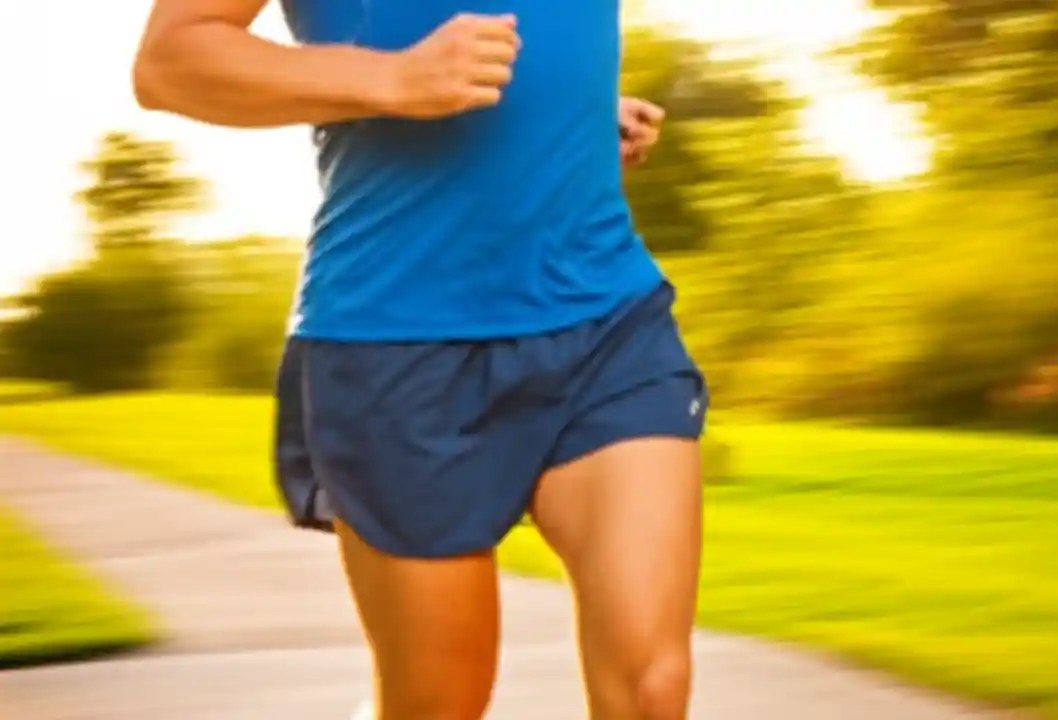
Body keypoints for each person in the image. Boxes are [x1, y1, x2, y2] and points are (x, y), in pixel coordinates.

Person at [133, 2, 707, 719]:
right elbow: (170, 61)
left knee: (651, 686)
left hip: (604, 315)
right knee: (436, 704)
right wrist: (395, 79)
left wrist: (571, 118)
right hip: (398, 340)